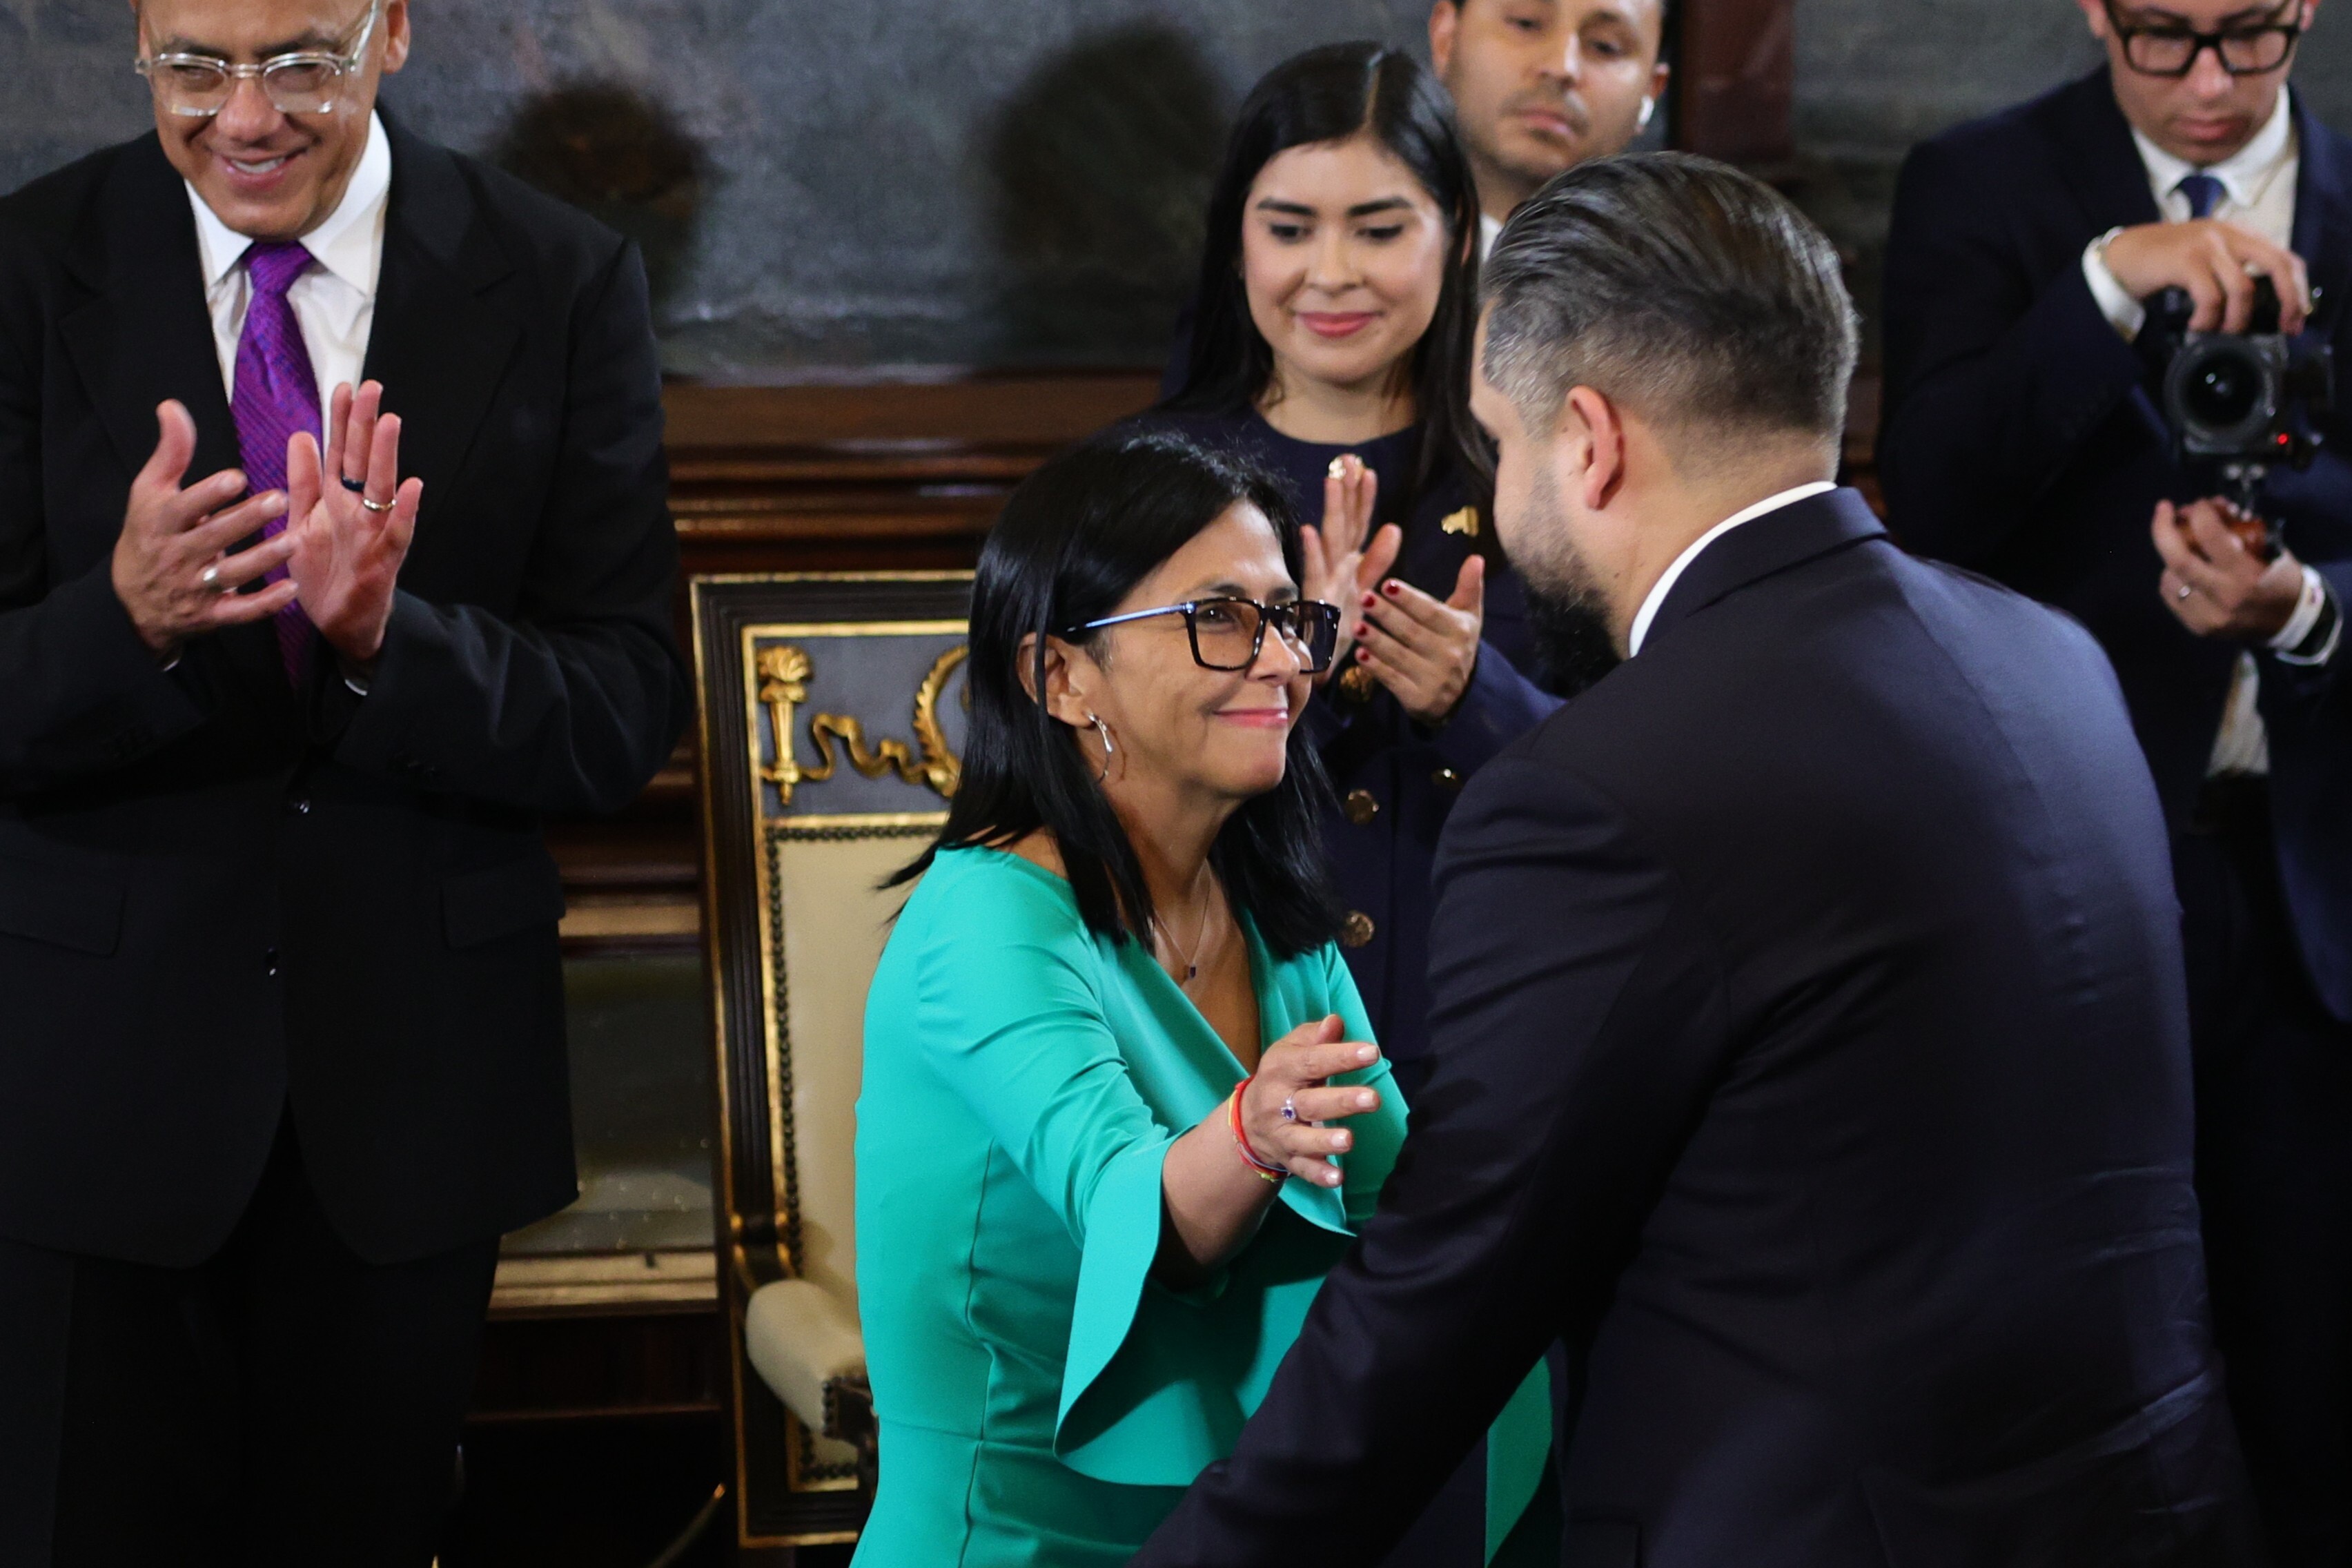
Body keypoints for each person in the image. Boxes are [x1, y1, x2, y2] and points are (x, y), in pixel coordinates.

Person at [1131, 153, 2262, 1568]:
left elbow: (1445, 1298)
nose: (1508, 482)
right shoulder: (2053, 657)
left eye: (1506, 440)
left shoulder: (1599, 792)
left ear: (1590, 439)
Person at [0, 0, 688, 1560]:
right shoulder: (28, 267)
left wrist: (391, 641)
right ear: (139, 42)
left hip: (408, 1102)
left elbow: (622, 702)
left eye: (299, 60)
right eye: (194, 66)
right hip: (90, 1100)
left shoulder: (564, 278)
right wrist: (123, 626)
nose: (244, 118)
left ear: (393, 29)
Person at [852, 429, 1549, 1568]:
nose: (1282, 660)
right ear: (1060, 676)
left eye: (1286, 616)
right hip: (1016, 1536)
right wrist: (1249, 1132)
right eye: (1219, 618)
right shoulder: (982, 920)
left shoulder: (1265, 903)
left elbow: (1401, 1216)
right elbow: (1132, 1203)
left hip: (1246, 1530)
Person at [1877, 4, 2352, 1558]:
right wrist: (2101, 286)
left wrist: (2306, 609)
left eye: (2254, 37)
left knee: (2314, 1379)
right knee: (2063, 1366)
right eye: (2163, 36)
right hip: (2062, 875)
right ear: (2093, 9)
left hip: (2320, 886)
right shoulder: (1982, 184)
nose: (2209, 83)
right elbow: (1933, 502)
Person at [1155, 43, 1564, 1099]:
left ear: (1458, 235)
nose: (1330, 273)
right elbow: (1109, 790)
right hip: (1218, 1057)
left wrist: (1476, 698)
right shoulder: (1149, 487)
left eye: (1380, 230)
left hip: (1496, 1053)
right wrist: (1296, 682)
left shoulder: (1548, 476)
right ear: (1236, 243)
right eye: (1289, 230)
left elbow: (1633, 781)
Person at [1428, 0, 1672, 255]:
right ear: (1445, 36)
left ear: (1650, 92)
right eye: (1526, 23)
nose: (1562, 67)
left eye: (1605, 46)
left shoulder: (1679, 285)